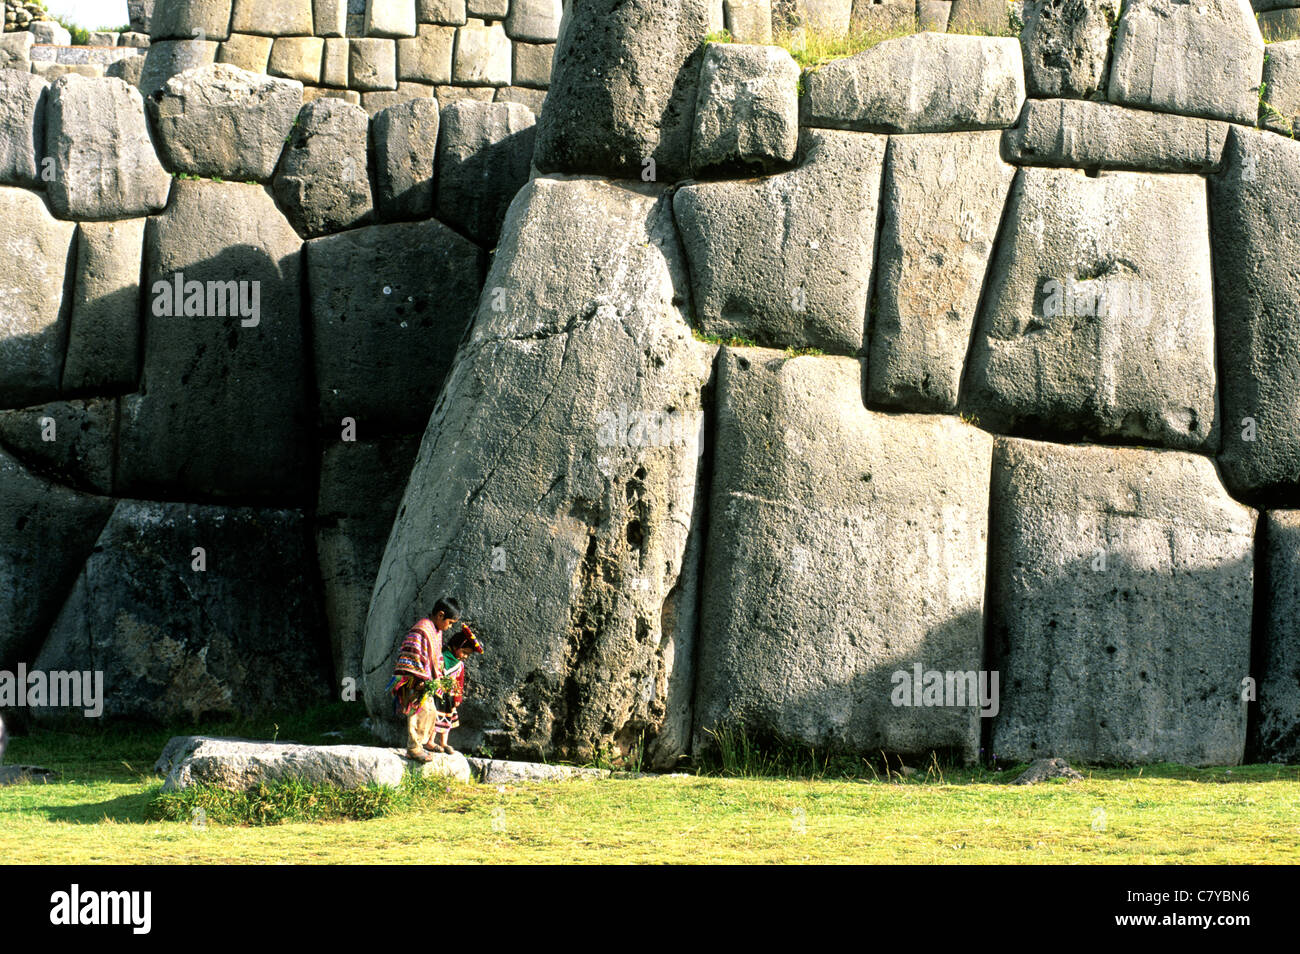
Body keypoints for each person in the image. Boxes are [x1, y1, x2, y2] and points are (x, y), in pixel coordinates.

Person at [387, 597, 462, 762]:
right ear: (440, 615)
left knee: (431, 711)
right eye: (450, 622)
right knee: (417, 712)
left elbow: (436, 658)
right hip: (414, 680)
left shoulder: (436, 631)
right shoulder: (422, 629)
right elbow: (412, 652)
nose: (450, 627)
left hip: (426, 682)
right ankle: (413, 747)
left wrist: (439, 678)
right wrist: (419, 678)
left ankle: (421, 745)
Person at [430, 623, 484, 755]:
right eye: (464, 652)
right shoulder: (441, 657)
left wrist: (458, 697)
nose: (465, 656)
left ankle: (444, 742)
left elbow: (459, 682)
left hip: (449, 696)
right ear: (456, 646)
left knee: (447, 719)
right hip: (437, 694)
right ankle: (430, 741)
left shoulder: (460, 665)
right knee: (434, 717)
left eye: (468, 655)